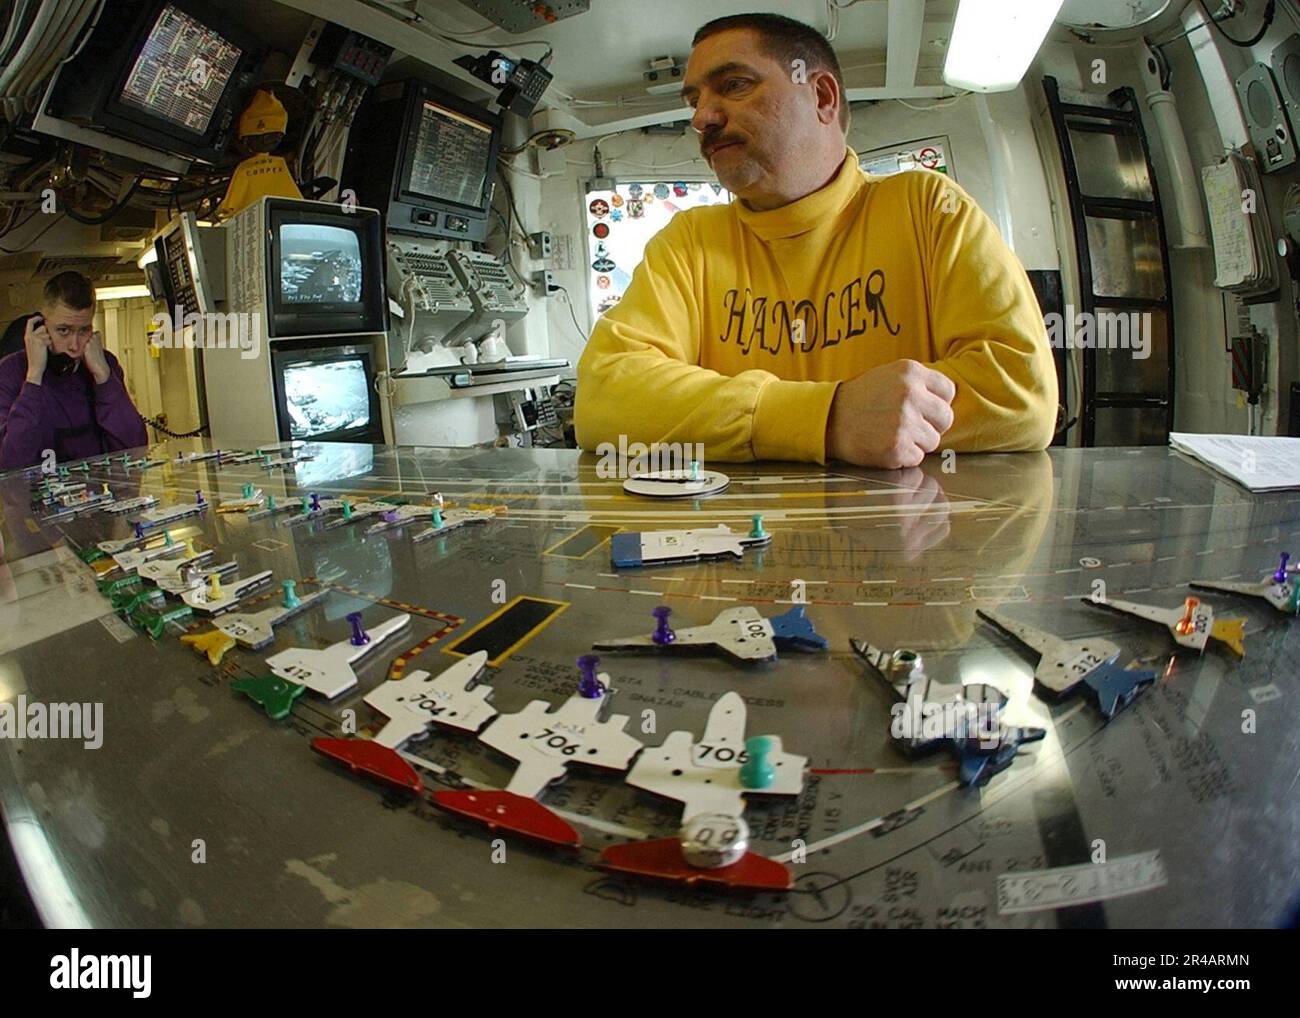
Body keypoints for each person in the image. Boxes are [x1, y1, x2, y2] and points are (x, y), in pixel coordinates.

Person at [575, 13, 1058, 468]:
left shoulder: (928, 207)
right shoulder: (689, 241)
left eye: (734, 85)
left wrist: (764, 419)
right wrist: (826, 417)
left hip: (905, 543)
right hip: (736, 546)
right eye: (693, 101)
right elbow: (602, 398)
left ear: (823, 96)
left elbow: (1018, 394)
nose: (703, 117)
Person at [0, 271, 148, 471]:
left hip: (94, 497)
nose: (74, 345)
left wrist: (104, 378)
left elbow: (135, 449)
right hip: (33, 499)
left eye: (83, 330)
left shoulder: (104, 364)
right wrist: (34, 377)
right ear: (41, 326)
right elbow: (12, 463)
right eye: (63, 330)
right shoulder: (10, 372)